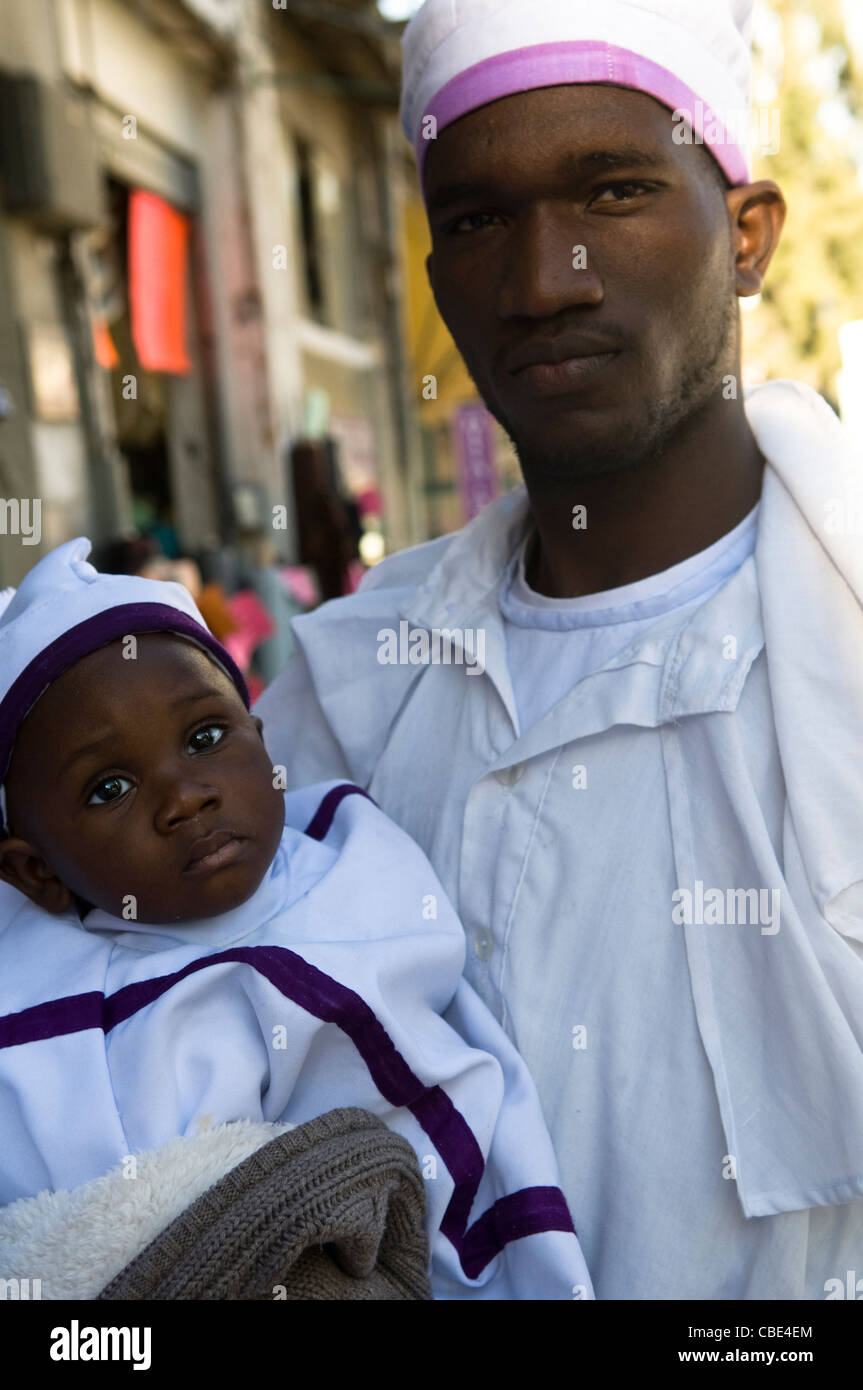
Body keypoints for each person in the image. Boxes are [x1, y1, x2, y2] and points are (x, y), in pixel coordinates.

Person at [253, 0, 863, 1299]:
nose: (541, 279)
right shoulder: (344, 693)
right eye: (476, 218)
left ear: (746, 237)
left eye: (612, 188)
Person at [0, 537, 593, 1301]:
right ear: (36, 874)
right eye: (110, 787)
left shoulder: (347, 905)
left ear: (262, 741)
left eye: (207, 738)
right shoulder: (26, 995)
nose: (185, 797)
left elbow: (450, 1135)